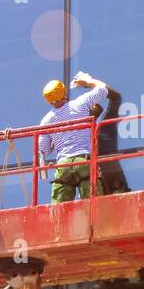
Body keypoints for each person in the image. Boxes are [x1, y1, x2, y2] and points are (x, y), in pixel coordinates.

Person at [39, 71, 110, 203]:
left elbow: (44, 150)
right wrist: (88, 81)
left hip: (63, 165)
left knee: (60, 209)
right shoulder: (80, 103)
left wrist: (57, 139)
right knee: (94, 205)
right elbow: (103, 89)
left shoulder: (46, 121)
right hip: (84, 160)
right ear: (64, 92)